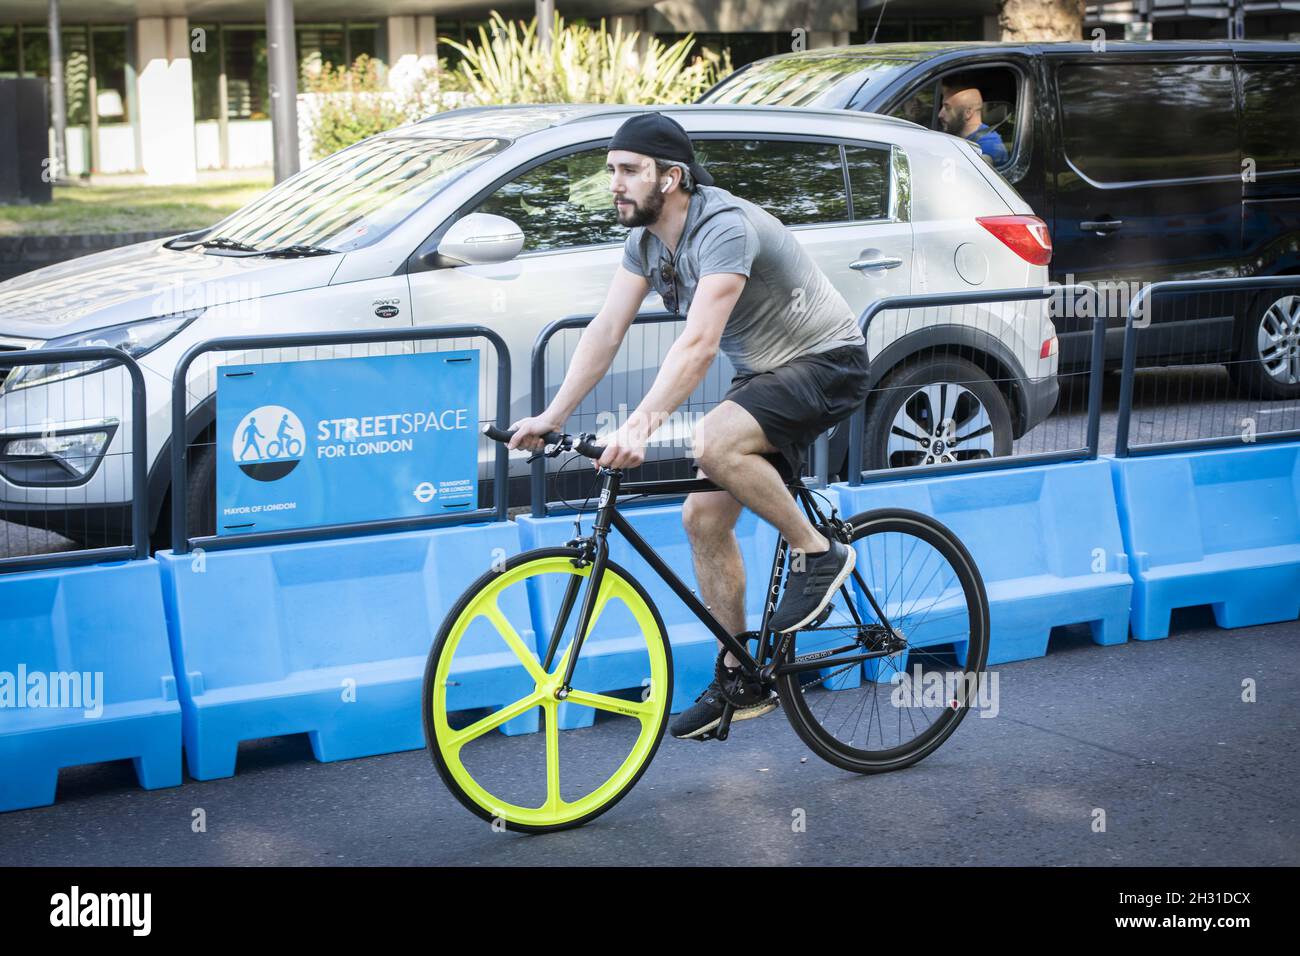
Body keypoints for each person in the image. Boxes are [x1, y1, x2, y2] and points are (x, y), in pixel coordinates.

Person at [507, 112, 872, 740]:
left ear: (671, 177)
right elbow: (605, 332)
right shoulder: (646, 242)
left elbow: (699, 344)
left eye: (628, 171)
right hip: (764, 373)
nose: (614, 184)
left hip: (826, 362)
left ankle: (820, 552)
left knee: (715, 441)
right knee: (701, 519)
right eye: (611, 172)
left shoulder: (723, 228)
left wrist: (640, 428)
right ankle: (741, 676)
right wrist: (552, 416)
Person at [938, 79, 1008, 165]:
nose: (940, 114)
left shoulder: (989, 144)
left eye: (947, 108)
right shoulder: (958, 135)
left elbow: (986, 160)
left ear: (968, 113)